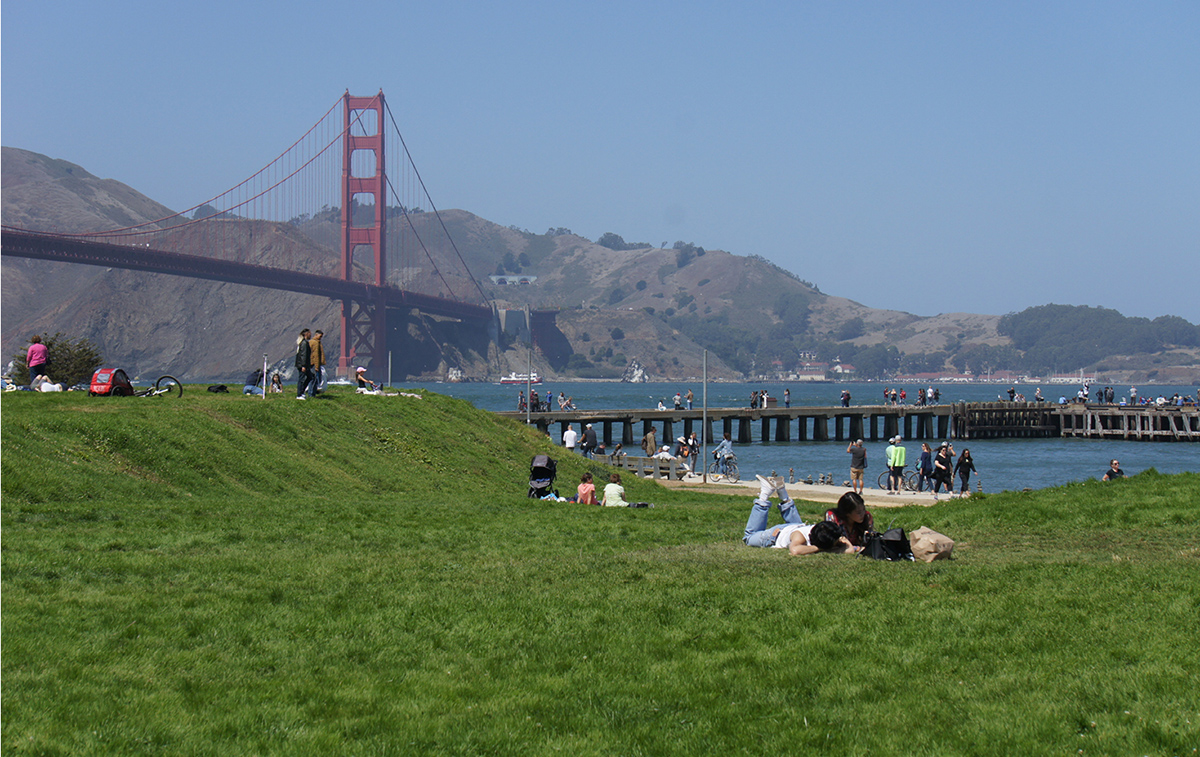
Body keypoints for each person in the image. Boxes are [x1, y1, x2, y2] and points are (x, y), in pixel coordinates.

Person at [743, 476, 860, 555]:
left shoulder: (827, 533)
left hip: (797, 526)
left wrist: (843, 543)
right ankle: (764, 495)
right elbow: (794, 550)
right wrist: (819, 549)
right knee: (749, 537)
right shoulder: (800, 537)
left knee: (797, 524)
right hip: (776, 535)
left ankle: (781, 490)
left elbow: (849, 550)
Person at [294, 329, 314, 400]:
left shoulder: (303, 342)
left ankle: (302, 392)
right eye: (310, 333)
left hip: (303, 364)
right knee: (302, 379)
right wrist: (303, 365)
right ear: (306, 334)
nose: (311, 335)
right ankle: (299, 394)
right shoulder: (304, 343)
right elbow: (303, 355)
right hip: (302, 365)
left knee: (310, 377)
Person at [308, 330, 326, 395]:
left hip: (312, 363)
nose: (321, 338)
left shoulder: (312, 342)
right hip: (314, 364)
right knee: (314, 379)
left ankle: (312, 392)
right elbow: (316, 355)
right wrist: (316, 366)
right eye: (320, 336)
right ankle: (312, 393)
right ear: (316, 335)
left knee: (313, 379)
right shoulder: (315, 343)